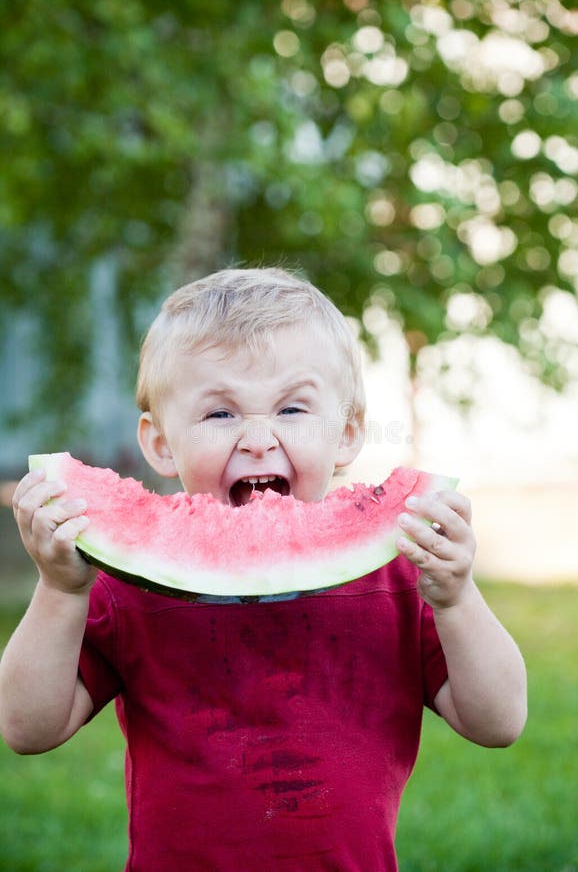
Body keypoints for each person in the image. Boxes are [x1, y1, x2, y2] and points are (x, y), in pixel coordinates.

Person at [1, 268, 527, 871]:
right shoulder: (129, 585)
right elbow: (27, 728)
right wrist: (60, 592)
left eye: (293, 407)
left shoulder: (400, 578)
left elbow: (500, 721)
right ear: (160, 443)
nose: (257, 438)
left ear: (347, 432)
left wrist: (457, 601)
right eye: (220, 414)